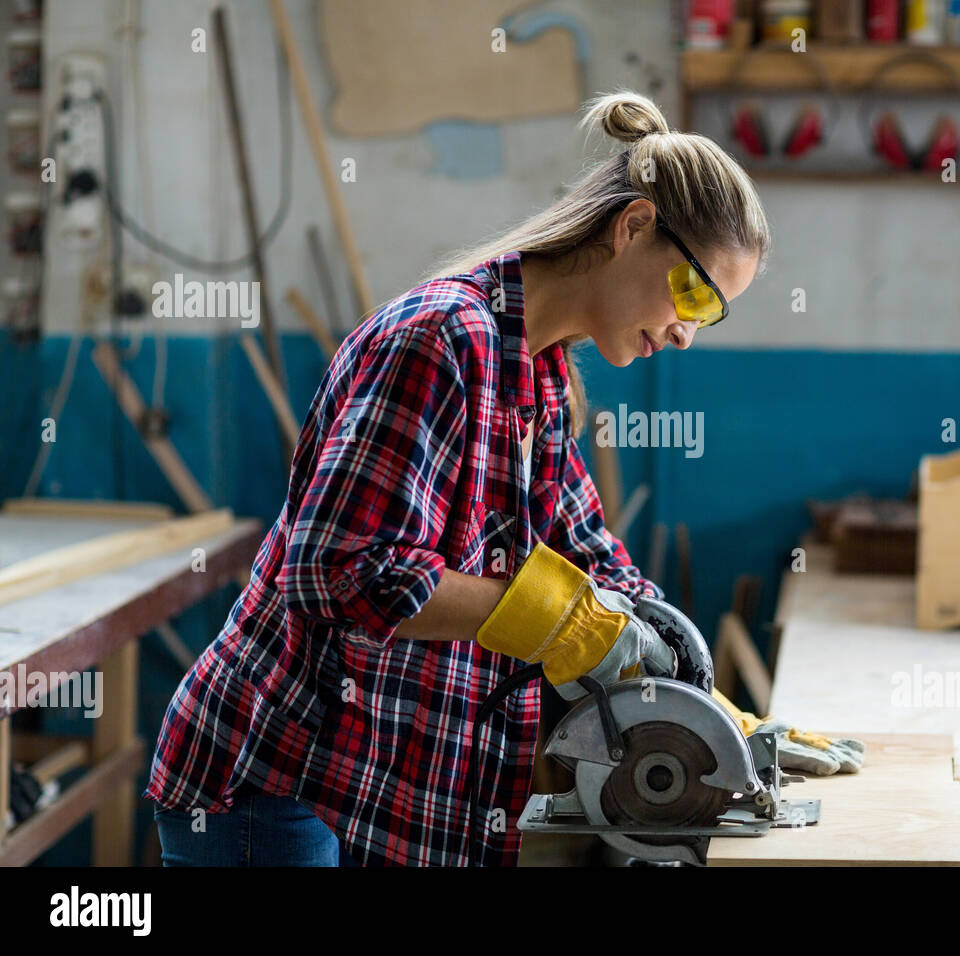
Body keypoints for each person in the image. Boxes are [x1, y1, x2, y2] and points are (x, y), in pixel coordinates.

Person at [144, 90, 771, 866]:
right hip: (278, 786)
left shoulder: (539, 377)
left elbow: (593, 561)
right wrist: (560, 623)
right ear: (633, 226)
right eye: (691, 292)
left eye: (708, 317)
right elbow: (341, 572)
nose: (684, 334)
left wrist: (702, 708)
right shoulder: (445, 339)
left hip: (378, 789)